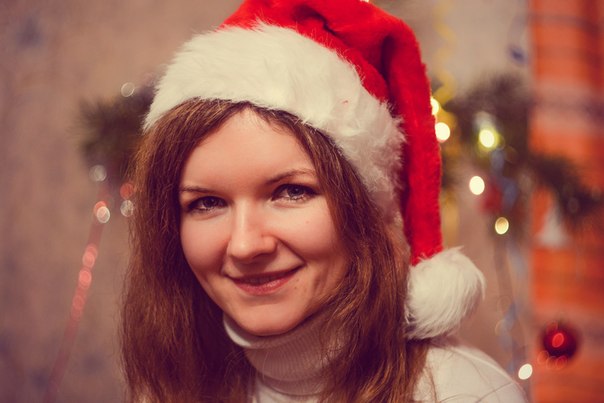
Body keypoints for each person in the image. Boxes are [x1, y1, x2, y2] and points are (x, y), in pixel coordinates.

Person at [120, 0, 528, 402]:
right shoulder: (167, 387)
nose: (244, 246)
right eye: (207, 203)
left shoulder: (467, 393)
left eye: (291, 192)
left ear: (365, 209)